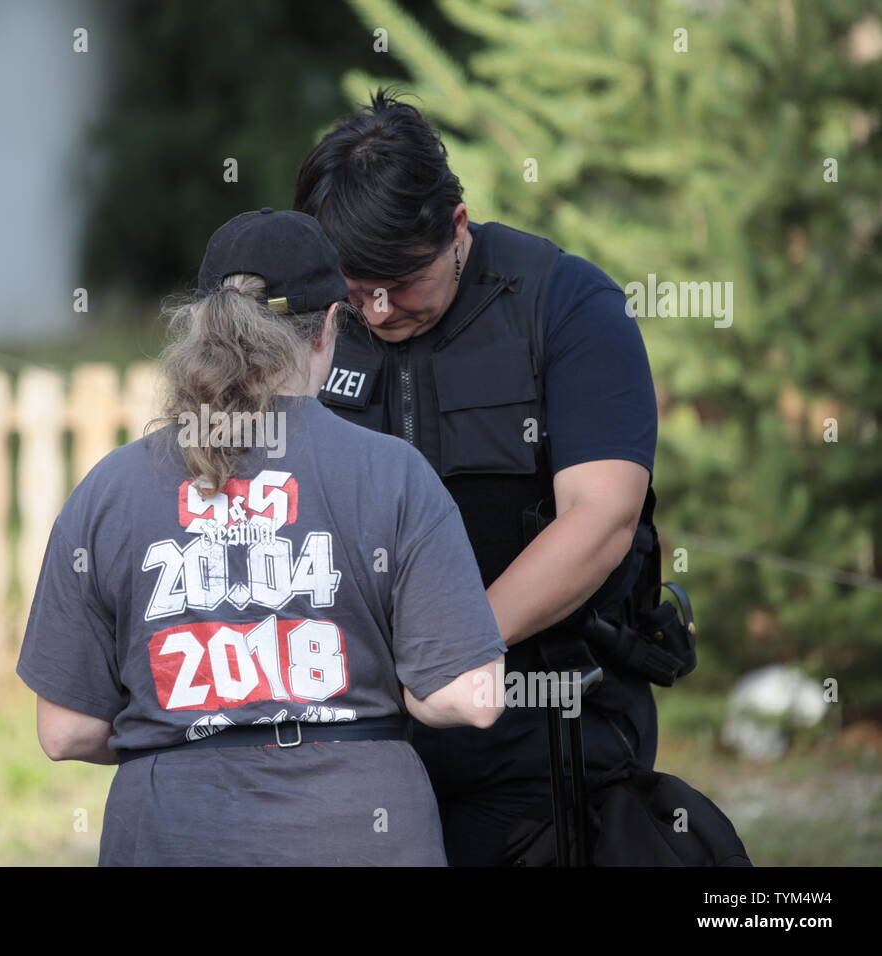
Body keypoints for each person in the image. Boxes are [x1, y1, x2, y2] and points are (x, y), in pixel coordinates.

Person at [17, 207, 507, 866]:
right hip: (360, 831)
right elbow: (469, 697)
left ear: (201, 327)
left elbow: (67, 728)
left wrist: (189, 725)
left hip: (172, 832)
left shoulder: (108, 491)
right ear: (331, 326)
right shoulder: (392, 475)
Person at [294, 89, 669, 866]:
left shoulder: (566, 303)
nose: (379, 310)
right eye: (355, 288)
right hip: (352, 731)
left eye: (401, 282)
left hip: (538, 723)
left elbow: (601, 517)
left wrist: (453, 651)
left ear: (456, 228)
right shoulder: (307, 325)